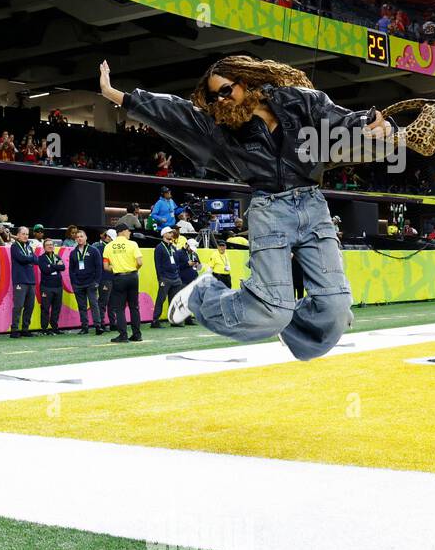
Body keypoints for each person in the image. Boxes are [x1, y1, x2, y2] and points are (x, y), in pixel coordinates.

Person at [100, 55, 390, 359]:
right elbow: (173, 113)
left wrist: (372, 124)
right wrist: (117, 96)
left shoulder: (297, 101)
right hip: (269, 209)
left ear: (244, 81)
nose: (221, 100)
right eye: (214, 97)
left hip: (313, 204)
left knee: (335, 308)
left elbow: (338, 119)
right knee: (273, 311)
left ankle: (291, 332)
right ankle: (203, 295)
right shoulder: (219, 127)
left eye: (225, 90)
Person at [102, 224, 143, 342]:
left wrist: (116, 269)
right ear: (123, 231)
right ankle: (137, 334)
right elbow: (140, 262)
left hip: (119, 277)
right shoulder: (133, 244)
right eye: (129, 231)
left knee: (119, 308)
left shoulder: (109, 246)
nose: (130, 233)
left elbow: (105, 267)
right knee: (134, 306)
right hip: (133, 276)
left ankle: (123, 335)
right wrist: (133, 269)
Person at [68, 228, 103, 335]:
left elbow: (99, 267)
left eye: (81, 236)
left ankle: (98, 326)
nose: (79, 239)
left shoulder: (93, 250)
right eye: (77, 237)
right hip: (78, 284)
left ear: (86, 238)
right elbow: (71, 269)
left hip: (91, 283)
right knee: (82, 306)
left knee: (94, 304)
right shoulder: (73, 253)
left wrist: (96, 282)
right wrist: (74, 283)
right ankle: (84, 327)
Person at [149, 227, 183, 330]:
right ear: (164, 234)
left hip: (175, 277)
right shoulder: (159, 248)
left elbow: (177, 261)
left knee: (174, 300)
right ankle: (155, 321)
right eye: (169, 233)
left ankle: (174, 320)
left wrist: (177, 273)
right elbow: (157, 265)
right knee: (161, 299)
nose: (171, 234)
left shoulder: (173, 247)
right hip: (165, 278)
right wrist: (160, 279)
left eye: (172, 233)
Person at [9, 225, 37, 337]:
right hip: (20, 280)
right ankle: (14, 330)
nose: (26, 236)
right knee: (18, 306)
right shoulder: (14, 247)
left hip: (31, 280)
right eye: (23, 234)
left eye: (27, 234)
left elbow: (36, 259)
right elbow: (21, 258)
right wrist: (30, 258)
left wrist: (29, 258)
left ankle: (25, 329)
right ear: (18, 235)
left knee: (30, 306)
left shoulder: (28, 247)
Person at [37, 239, 65, 334]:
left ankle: (54, 328)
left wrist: (51, 265)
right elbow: (45, 269)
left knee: (56, 308)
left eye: (51, 244)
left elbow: (63, 267)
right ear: (44, 247)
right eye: (48, 245)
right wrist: (56, 265)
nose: (50, 246)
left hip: (58, 286)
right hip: (46, 287)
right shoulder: (41, 258)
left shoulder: (57, 256)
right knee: (45, 308)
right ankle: (44, 329)